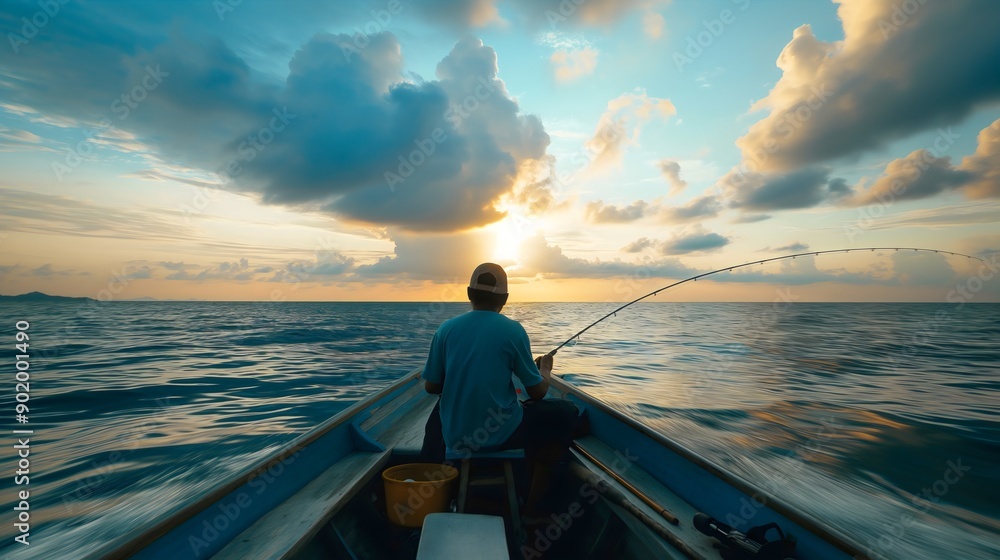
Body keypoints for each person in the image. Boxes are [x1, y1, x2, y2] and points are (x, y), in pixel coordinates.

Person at [420, 262, 579, 518]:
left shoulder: (445, 329)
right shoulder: (513, 330)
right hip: (501, 433)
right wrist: (545, 369)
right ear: (505, 299)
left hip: (456, 436)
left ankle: (438, 497)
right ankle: (533, 508)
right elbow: (537, 393)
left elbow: (431, 387)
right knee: (566, 411)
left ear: (469, 294)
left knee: (441, 409)